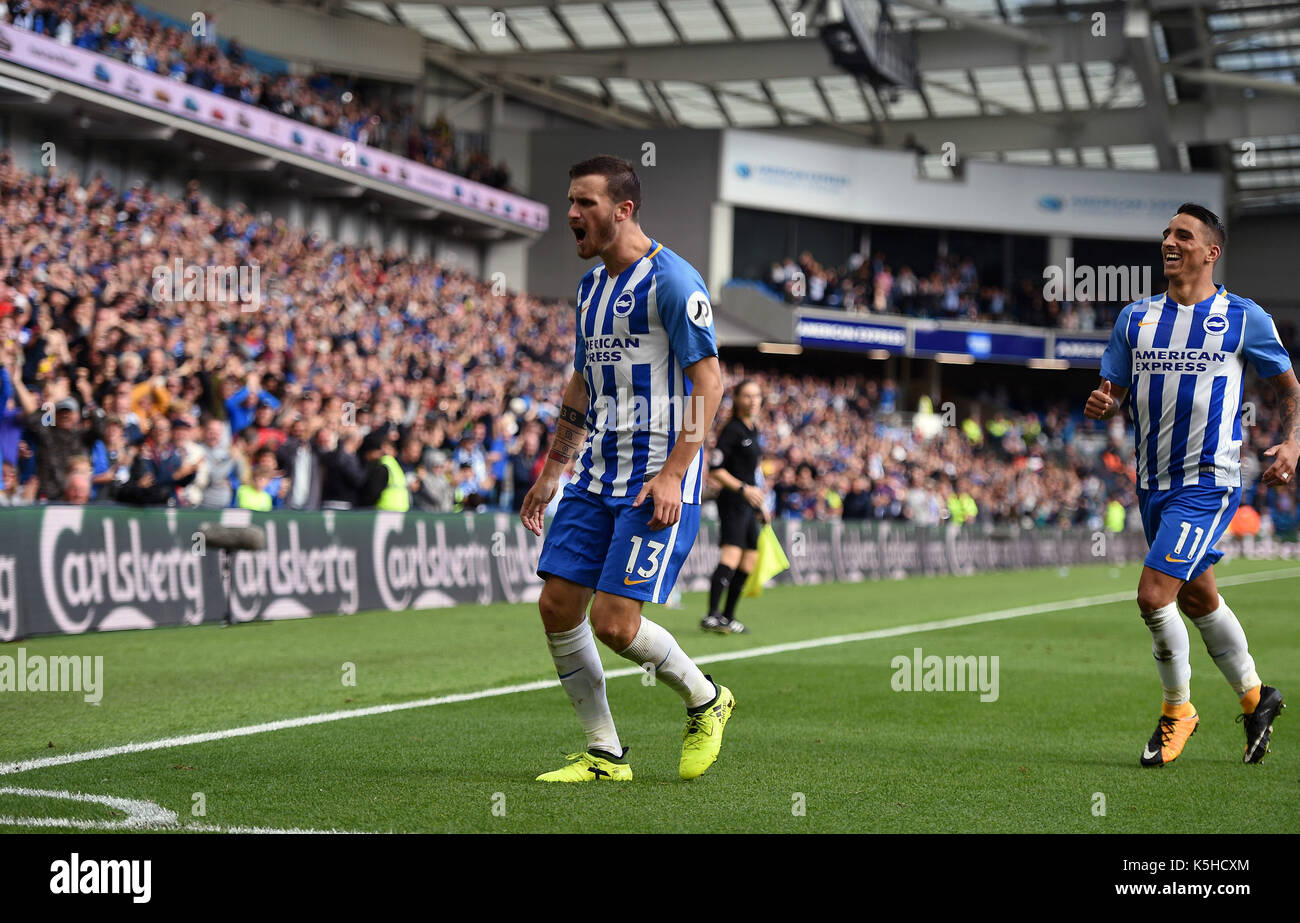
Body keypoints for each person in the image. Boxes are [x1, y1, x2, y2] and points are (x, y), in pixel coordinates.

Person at [519, 154, 734, 783]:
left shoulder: (673, 280)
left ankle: (706, 697)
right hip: (595, 475)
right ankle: (605, 753)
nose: (571, 214)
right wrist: (552, 469)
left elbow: (710, 383)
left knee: (616, 624)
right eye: (569, 201)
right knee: (558, 606)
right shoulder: (590, 290)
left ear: (623, 209)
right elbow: (582, 384)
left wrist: (673, 474)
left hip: (655, 477)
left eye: (584, 202)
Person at [1085, 202, 1296, 767]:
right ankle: (1257, 698)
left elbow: (1289, 390)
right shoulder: (1136, 318)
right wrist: (1105, 400)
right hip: (1152, 482)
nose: (1169, 242)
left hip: (1210, 481)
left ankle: (1178, 710)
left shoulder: (1243, 317)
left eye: (1183, 235)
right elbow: (1114, 389)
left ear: (1211, 251)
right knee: (1200, 597)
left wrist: (1293, 442)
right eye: (1166, 234)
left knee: (1154, 596)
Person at [703, 379, 767, 634]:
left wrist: (761, 504)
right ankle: (711, 615)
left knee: (749, 559)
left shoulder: (753, 430)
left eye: (756, 396)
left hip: (750, 504)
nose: (752, 401)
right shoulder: (732, 430)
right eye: (747, 396)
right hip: (733, 501)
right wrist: (743, 489)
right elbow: (716, 470)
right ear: (737, 399)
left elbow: (754, 473)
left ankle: (728, 616)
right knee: (730, 555)